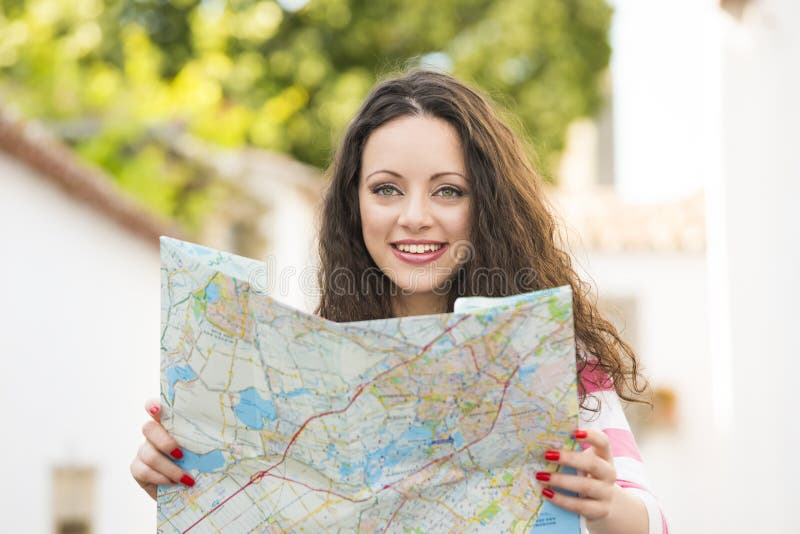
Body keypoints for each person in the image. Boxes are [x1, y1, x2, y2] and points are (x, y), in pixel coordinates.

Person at [131, 69, 667, 533]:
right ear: (353, 203)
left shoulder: (554, 360)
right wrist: (189, 490)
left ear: (488, 206)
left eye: (448, 190)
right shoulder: (296, 369)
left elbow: (652, 521)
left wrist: (605, 505)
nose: (414, 215)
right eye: (386, 188)